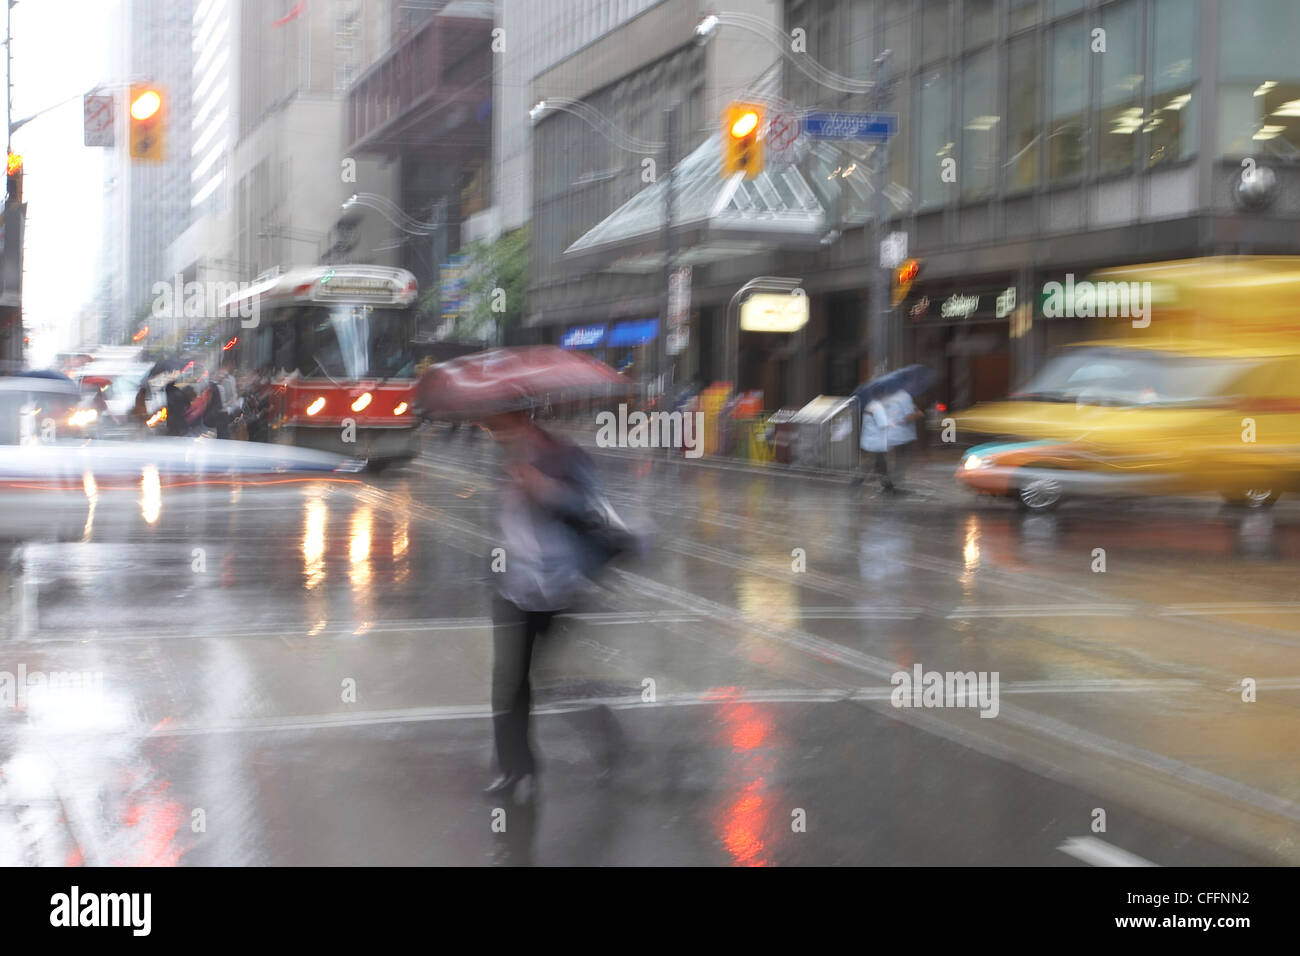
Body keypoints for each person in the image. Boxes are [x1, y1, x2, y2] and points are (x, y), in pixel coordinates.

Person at [481, 407, 620, 803]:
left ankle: (604, 732)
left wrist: (545, 489)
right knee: (509, 682)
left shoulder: (564, 456)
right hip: (515, 589)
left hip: (560, 587)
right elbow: (507, 525)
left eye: (500, 425)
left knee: (545, 679)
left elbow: (593, 508)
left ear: (522, 420)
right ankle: (514, 769)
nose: (495, 434)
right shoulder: (507, 460)